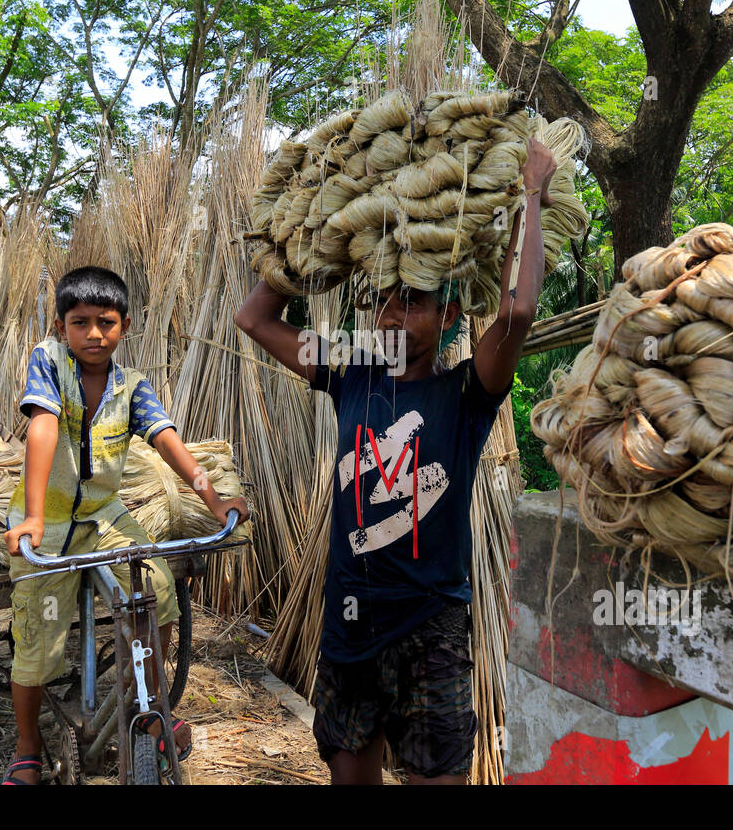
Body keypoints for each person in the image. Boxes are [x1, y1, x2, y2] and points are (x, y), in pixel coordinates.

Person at [235, 140, 558, 784]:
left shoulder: (467, 393)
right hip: (350, 618)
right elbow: (253, 315)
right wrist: (304, 227)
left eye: (411, 301)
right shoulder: (351, 374)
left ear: (450, 314)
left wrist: (530, 195)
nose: (390, 315)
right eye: (382, 298)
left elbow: (518, 311)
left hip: (431, 625)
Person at [1, 265, 250, 785]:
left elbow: (166, 439)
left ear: (126, 325)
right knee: (37, 634)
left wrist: (215, 498)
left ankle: (150, 704)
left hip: (104, 514)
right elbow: (43, 426)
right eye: (81, 322)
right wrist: (32, 515)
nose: (94, 333)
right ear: (61, 325)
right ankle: (27, 750)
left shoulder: (131, 385)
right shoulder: (48, 362)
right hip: (47, 519)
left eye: (106, 322)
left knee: (157, 589)